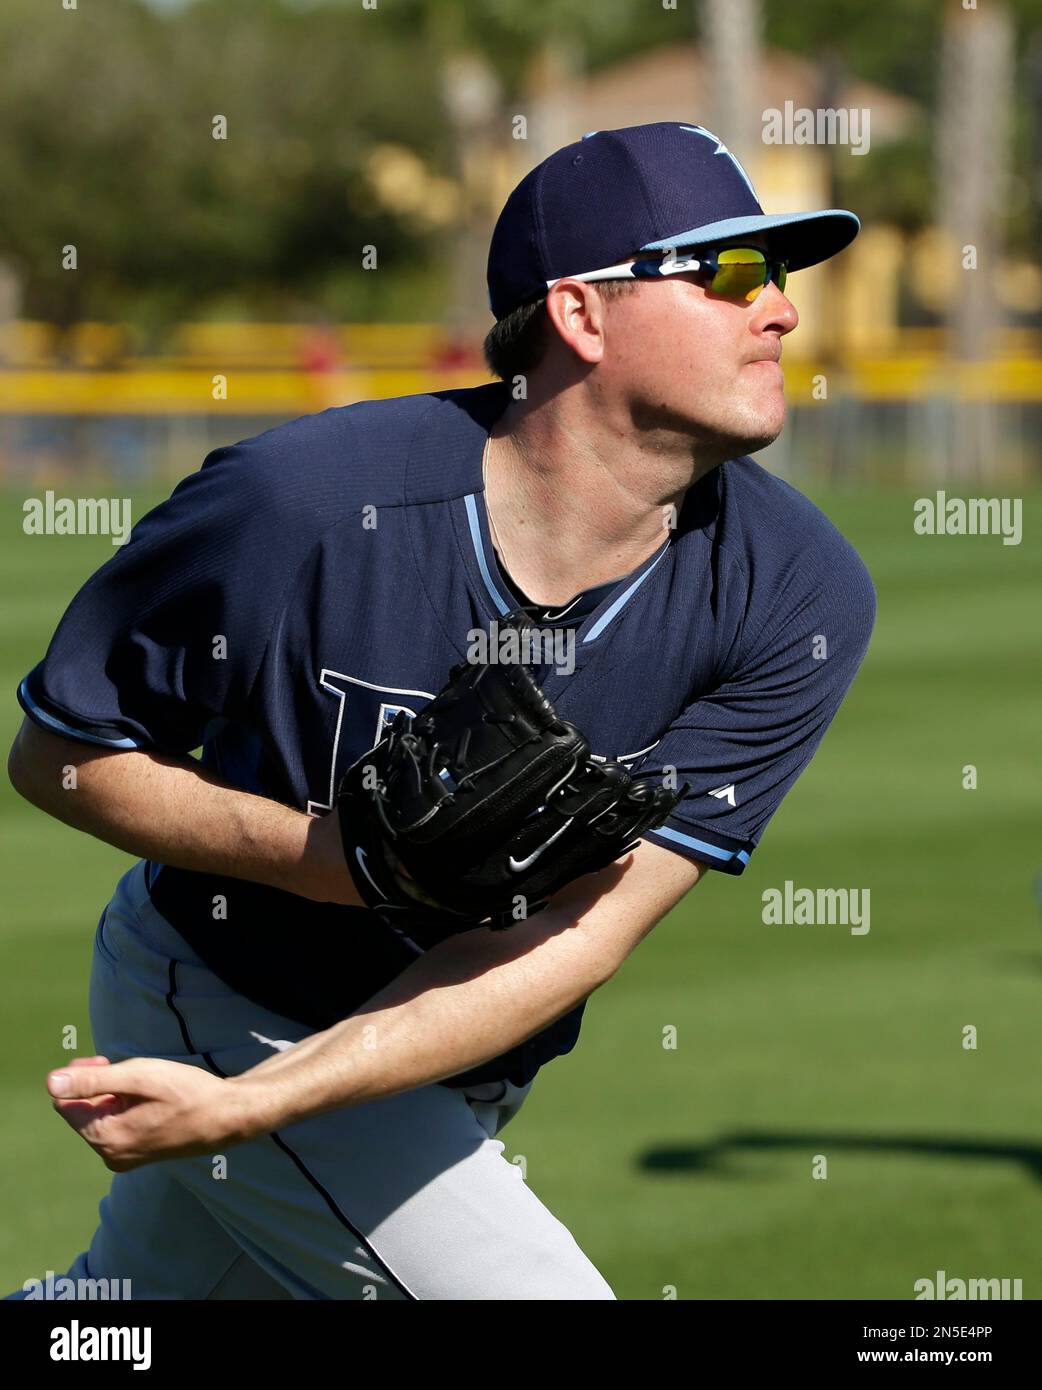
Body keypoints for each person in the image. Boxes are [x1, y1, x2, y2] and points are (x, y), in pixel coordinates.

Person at [6, 122, 875, 1300]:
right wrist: (332, 863)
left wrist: (248, 1112)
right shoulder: (300, 505)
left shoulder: (794, 591)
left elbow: (579, 933)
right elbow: (61, 755)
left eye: (777, 275)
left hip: (441, 1056)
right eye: (724, 272)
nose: (776, 308)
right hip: (228, 988)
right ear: (581, 315)